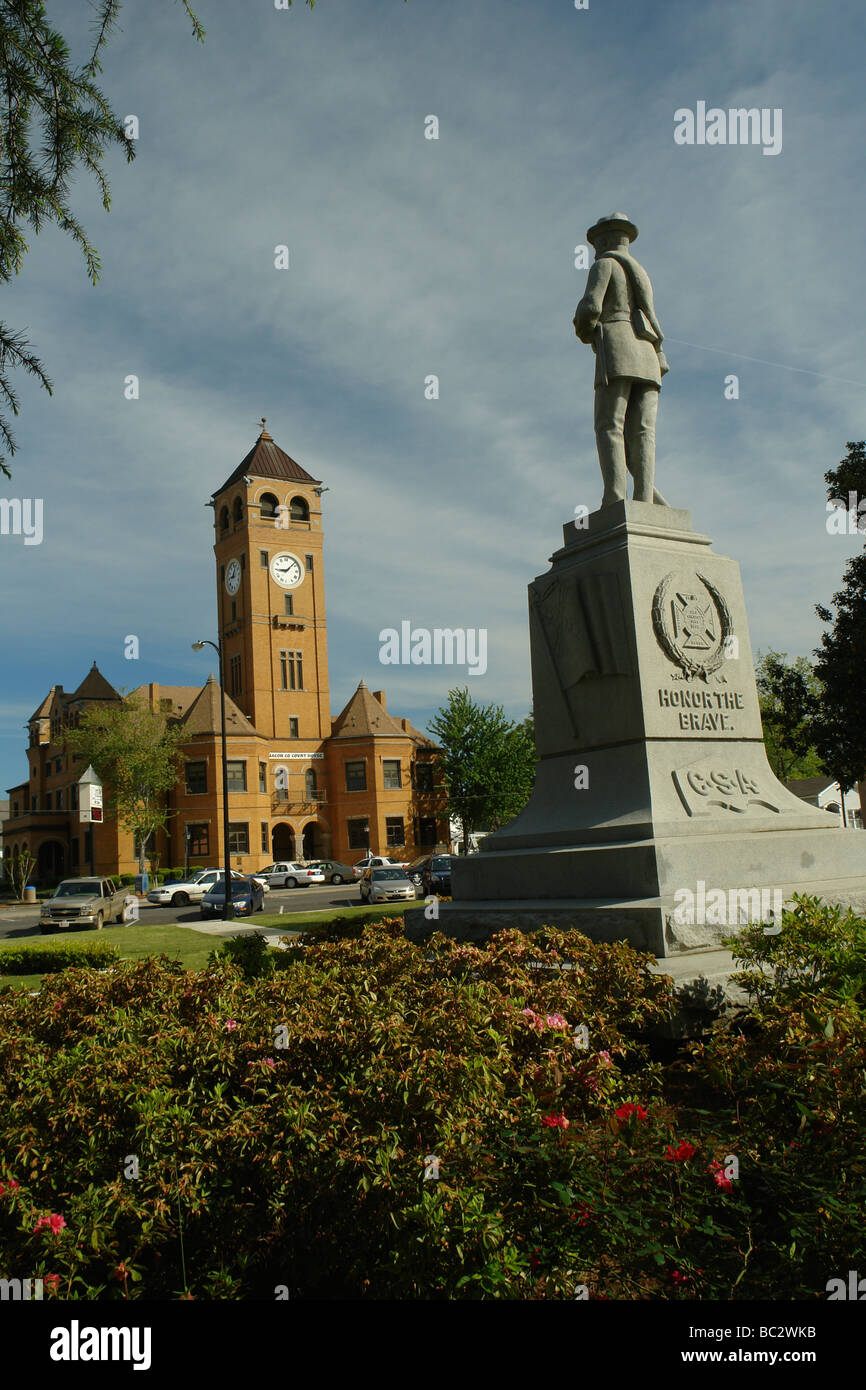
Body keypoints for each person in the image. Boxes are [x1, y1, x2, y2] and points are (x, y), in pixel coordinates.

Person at [573, 213, 670, 507]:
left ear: (603, 240)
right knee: (643, 431)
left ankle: (615, 499)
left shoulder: (604, 265)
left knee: (609, 425)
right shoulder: (642, 272)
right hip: (649, 355)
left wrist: (584, 328)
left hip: (617, 348)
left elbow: (591, 306)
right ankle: (644, 499)